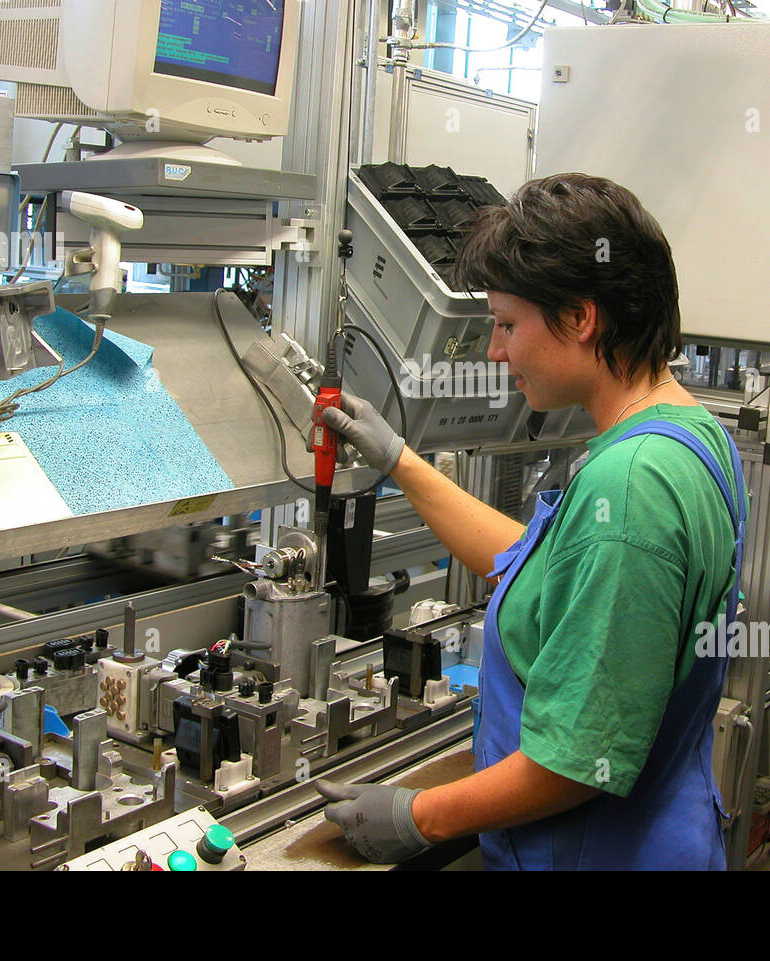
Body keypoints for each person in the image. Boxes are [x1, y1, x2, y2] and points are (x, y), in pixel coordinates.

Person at [314, 173, 746, 870]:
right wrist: (400, 459)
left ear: (580, 318)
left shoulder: (631, 484)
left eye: (509, 324)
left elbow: (577, 763)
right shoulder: (691, 437)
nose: (494, 349)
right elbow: (549, 570)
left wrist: (417, 813)